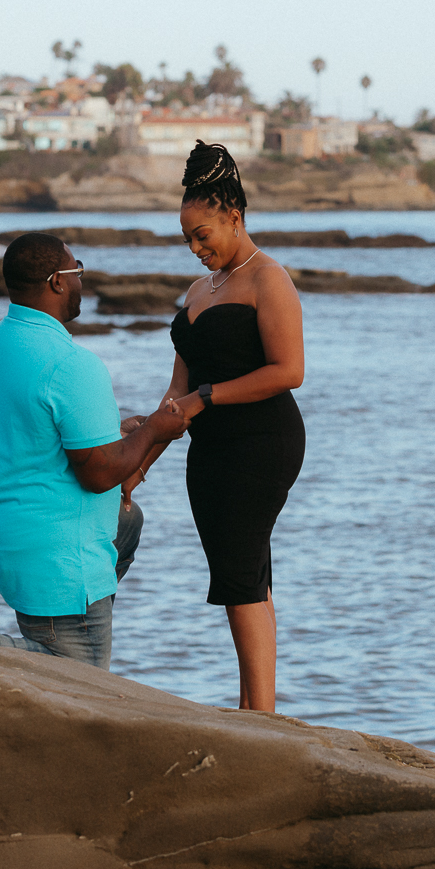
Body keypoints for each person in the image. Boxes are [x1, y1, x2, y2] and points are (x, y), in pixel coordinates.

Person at [0, 232, 189, 670]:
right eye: (78, 271)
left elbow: (33, 433)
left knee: (126, 521)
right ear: (57, 281)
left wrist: (122, 431)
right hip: (46, 545)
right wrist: (154, 431)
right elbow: (98, 474)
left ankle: (78, 613)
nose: (81, 282)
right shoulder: (72, 364)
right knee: (78, 680)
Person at [132, 141, 306, 711]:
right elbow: (176, 395)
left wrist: (209, 398)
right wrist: (140, 456)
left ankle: (258, 717)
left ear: (234, 216)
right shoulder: (197, 292)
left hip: (261, 443)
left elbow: (289, 371)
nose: (195, 247)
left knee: (238, 571)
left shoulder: (268, 279)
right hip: (209, 452)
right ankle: (257, 708)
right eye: (187, 238)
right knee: (246, 572)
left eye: (203, 233)